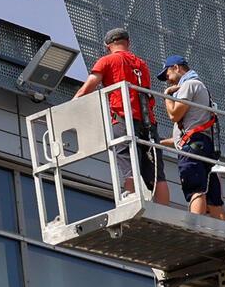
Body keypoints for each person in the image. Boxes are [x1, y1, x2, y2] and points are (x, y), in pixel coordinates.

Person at [72, 26, 172, 206]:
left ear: (107, 45)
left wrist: (71, 105)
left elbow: (88, 87)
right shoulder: (142, 64)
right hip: (149, 124)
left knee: (128, 165)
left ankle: (131, 202)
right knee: (157, 174)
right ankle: (164, 210)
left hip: (123, 119)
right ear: (128, 43)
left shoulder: (107, 61)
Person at [162, 56, 225, 220]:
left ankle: (195, 224)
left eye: (167, 74)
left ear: (177, 68)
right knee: (212, 196)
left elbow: (174, 115)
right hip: (202, 145)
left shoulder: (189, 85)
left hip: (193, 145)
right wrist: (160, 143)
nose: (168, 81)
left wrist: (167, 97)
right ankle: (223, 230)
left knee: (195, 188)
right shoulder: (199, 87)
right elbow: (185, 132)